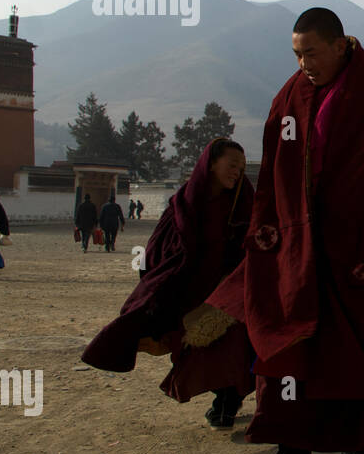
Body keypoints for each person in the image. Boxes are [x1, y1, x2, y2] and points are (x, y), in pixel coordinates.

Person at [190, 7, 364, 454]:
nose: (304, 63)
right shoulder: (291, 95)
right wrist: (270, 229)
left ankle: (361, 435)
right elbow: (274, 172)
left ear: (341, 44)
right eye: (297, 53)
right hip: (297, 245)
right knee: (288, 344)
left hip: (355, 254)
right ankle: (293, 452)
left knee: (351, 353)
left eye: (312, 52)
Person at [81, 139, 256, 429]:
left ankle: (227, 401)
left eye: (241, 168)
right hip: (187, 289)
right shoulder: (185, 202)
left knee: (233, 349)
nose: (237, 173)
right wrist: (156, 282)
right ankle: (223, 399)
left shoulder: (243, 201)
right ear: (211, 164)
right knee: (194, 350)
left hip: (229, 291)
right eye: (232, 165)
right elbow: (158, 245)